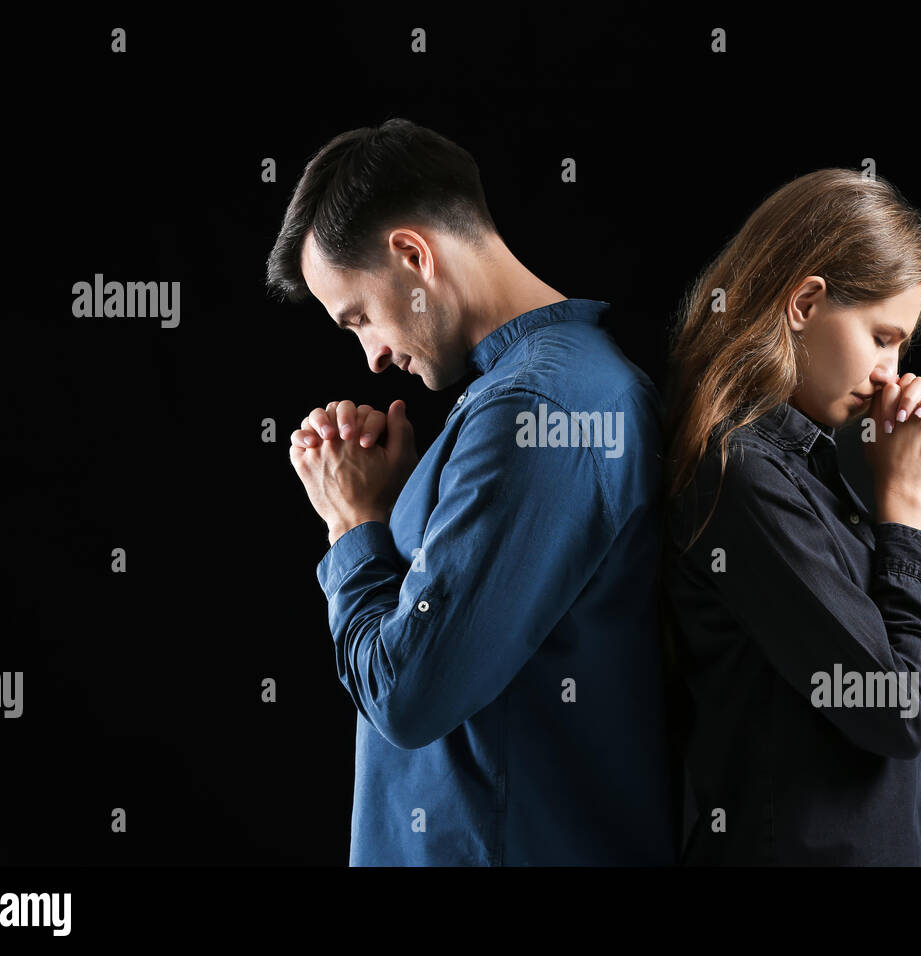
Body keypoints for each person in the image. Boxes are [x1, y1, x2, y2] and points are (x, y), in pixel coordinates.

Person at [267, 118, 675, 865]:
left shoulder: (538, 409)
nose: (374, 357)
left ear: (412, 254)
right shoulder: (541, 392)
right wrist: (393, 514)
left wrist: (352, 524)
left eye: (359, 317)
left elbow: (408, 694)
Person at [661, 168, 921, 865]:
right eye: (881, 337)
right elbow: (897, 710)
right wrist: (908, 502)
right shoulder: (738, 472)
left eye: (902, 348)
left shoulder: (820, 466)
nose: (892, 374)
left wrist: (889, 488)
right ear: (804, 303)